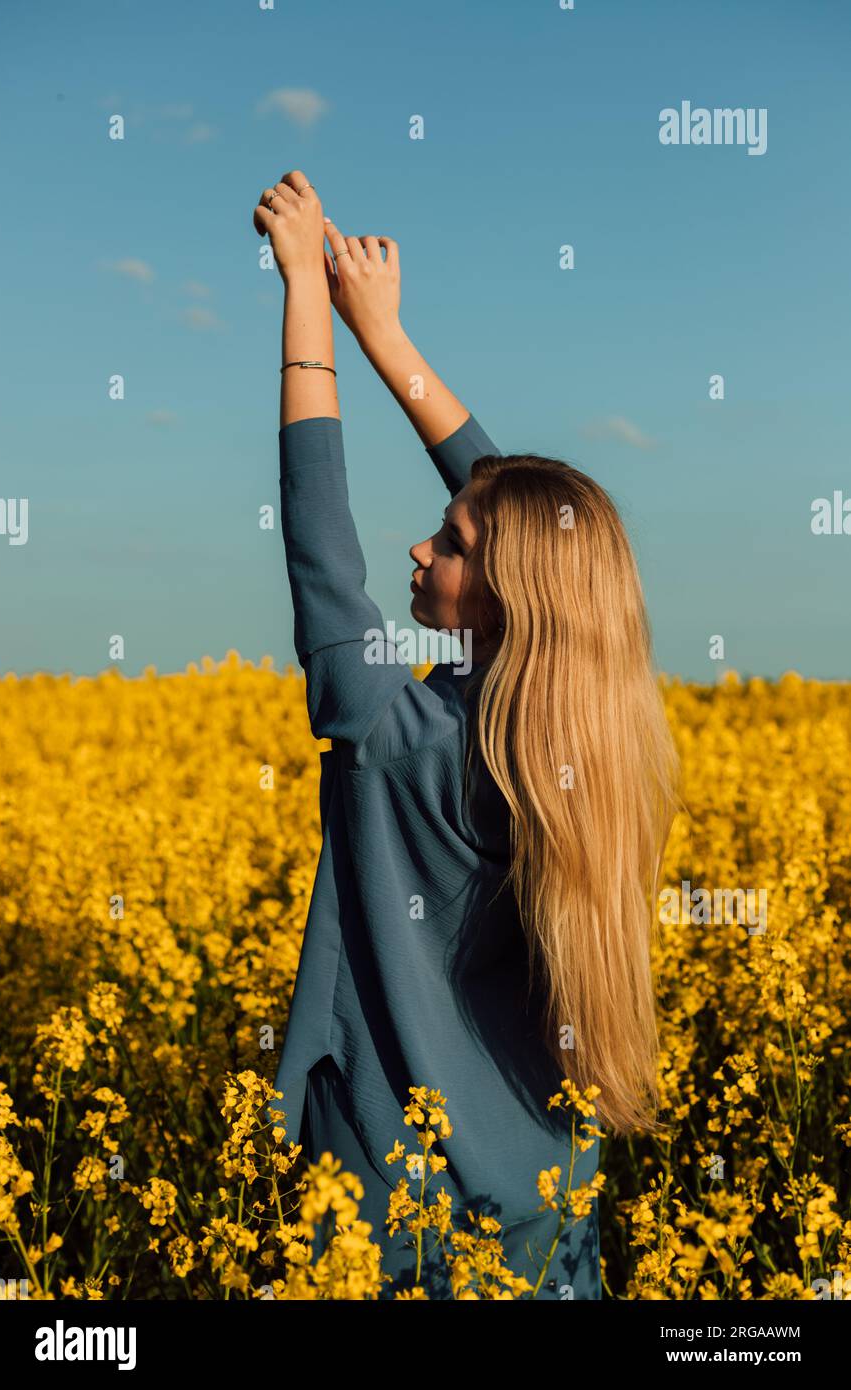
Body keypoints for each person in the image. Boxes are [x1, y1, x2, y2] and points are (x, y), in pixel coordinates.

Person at [252, 170, 680, 1300]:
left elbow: (316, 543)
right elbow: (536, 523)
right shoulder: (590, 738)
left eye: (443, 545)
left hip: (392, 1211)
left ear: (499, 592)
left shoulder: (397, 728)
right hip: (550, 1204)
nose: (414, 552)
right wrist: (387, 335)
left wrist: (304, 294)